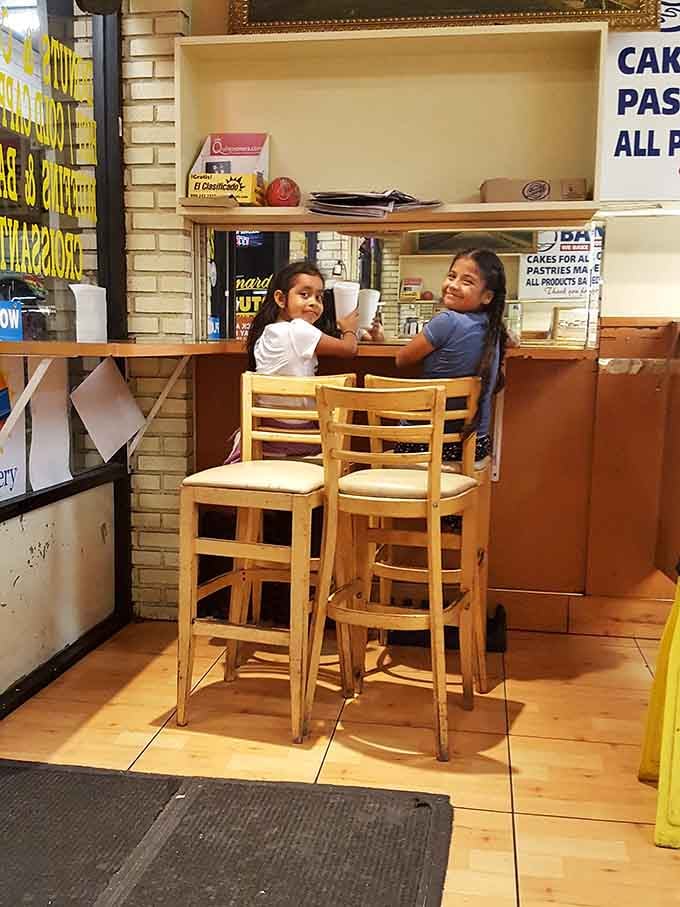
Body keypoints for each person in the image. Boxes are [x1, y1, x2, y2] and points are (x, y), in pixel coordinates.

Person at [225, 259, 359, 462]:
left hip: (263, 438)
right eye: (304, 294)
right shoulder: (298, 329)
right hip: (298, 441)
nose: (313, 302)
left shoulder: (267, 333)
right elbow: (349, 349)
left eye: (319, 297)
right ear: (280, 299)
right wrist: (350, 328)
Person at [395, 248, 509, 466]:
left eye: (467, 281)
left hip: (426, 445)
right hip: (475, 445)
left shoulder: (447, 321)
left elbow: (401, 359)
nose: (453, 285)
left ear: (487, 296)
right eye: (451, 276)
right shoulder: (494, 328)